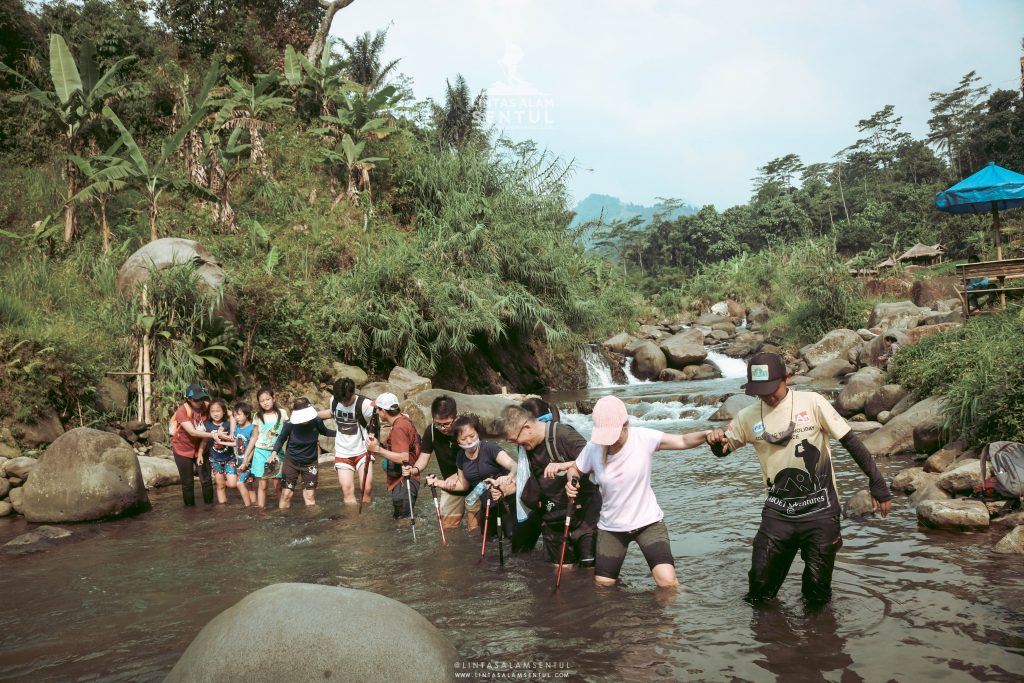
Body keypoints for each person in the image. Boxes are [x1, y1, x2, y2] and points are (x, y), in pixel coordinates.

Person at [707, 352, 893, 607]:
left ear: (788, 378)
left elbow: (851, 442)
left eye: (772, 389)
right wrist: (716, 442)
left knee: (816, 594)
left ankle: (816, 642)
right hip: (777, 514)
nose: (768, 396)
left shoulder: (813, 402)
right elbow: (724, 449)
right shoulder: (748, 416)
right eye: (761, 392)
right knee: (759, 591)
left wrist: (878, 484)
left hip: (820, 511)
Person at [545, 395, 719, 589]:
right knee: (603, 586)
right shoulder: (593, 448)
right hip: (612, 526)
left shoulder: (643, 438)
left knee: (667, 582)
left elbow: (682, 440)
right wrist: (572, 480)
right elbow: (576, 468)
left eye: (613, 434)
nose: (609, 441)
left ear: (625, 424)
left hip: (647, 522)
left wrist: (707, 434)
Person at [502, 401, 600, 568]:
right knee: (563, 574)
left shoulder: (563, 435)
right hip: (553, 519)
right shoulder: (527, 448)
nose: (518, 445)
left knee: (589, 573)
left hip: (583, 516)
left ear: (527, 428)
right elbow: (530, 479)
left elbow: (598, 463)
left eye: (516, 440)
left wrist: (566, 465)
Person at [426, 415, 517, 535]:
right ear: (457, 440)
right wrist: (438, 483)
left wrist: (508, 477)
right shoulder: (461, 457)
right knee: (489, 543)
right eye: (463, 438)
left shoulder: (490, 447)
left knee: (512, 539)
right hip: (488, 506)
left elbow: (515, 466)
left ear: (477, 433)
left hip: (506, 503)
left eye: (472, 436)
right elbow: (463, 485)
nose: (469, 441)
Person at [317, 378, 376, 506]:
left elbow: (382, 416)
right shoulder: (334, 401)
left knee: (366, 488)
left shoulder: (365, 404)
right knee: (347, 490)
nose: (344, 403)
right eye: (341, 401)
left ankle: (366, 518)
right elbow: (331, 413)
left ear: (353, 392)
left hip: (363, 450)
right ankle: (353, 522)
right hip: (343, 452)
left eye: (347, 400)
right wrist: (311, 415)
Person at [365, 393, 424, 519]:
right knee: (406, 518)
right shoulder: (404, 419)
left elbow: (404, 457)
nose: (377, 412)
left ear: (384, 412)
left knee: (403, 522)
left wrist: (378, 449)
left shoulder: (399, 428)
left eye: (377, 409)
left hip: (404, 482)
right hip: (408, 479)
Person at [272, 397, 336, 509]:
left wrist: (342, 433)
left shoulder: (316, 421)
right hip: (291, 462)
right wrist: (274, 453)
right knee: (286, 494)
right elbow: (281, 439)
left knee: (310, 496)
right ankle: (283, 520)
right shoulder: (289, 424)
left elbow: (325, 431)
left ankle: (311, 522)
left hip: (310, 463)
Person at [169, 383, 219, 506]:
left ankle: (209, 508)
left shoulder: (206, 406)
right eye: (197, 400)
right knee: (187, 484)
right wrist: (213, 435)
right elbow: (192, 432)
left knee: (206, 480)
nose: (200, 402)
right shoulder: (182, 411)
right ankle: (189, 512)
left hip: (201, 448)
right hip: (182, 450)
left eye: (202, 398)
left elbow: (226, 412)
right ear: (189, 399)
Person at [417, 395, 462, 528]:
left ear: (455, 416)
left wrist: (458, 475)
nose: (443, 428)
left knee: (475, 529)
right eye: (438, 424)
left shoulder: (466, 429)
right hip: (450, 485)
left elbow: (477, 458)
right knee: (448, 527)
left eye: (447, 424)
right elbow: (423, 459)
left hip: (473, 484)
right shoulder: (431, 431)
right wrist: (413, 470)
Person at [244, 387, 287, 509]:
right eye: (262, 401)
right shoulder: (257, 416)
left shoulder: (282, 413)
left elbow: (289, 432)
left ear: (274, 398)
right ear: (259, 402)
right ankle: (261, 511)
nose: (266, 402)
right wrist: (246, 456)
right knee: (262, 485)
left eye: (268, 399)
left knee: (278, 484)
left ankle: (283, 510)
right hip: (260, 452)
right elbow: (254, 437)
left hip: (278, 453)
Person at [205, 398, 236, 504]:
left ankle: (227, 483)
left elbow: (233, 416)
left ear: (224, 412)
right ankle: (223, 507)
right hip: (214, 460)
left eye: (218, 411)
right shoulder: (207, 425)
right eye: (212, 411)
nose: (215, 414)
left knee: (232, 484)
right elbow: (204, 441)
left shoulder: (227, 424)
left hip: (229, 459)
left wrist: (230, 433)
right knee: (220, 485)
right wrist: (200, 454)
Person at [233, 402, 256, 507]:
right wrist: (220, 441)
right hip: (240, 461)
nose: (236, 418)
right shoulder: (237, 428)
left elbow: (254, 447)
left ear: (246, 414)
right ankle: (254, 507)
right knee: (249, 485)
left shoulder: (252, 428)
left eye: (239, 414)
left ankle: (247, 507)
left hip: (249, 463)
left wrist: (246, 462)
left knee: (240, 483)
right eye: (235, 415)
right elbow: (236, 442)